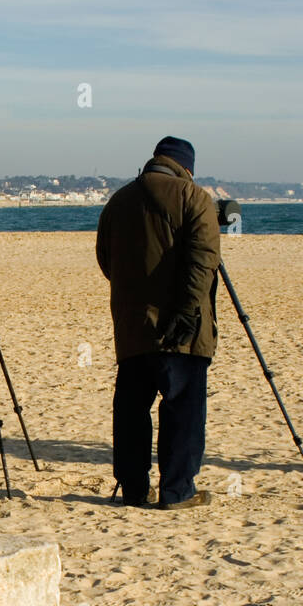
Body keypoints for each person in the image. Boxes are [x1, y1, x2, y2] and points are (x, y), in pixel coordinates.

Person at [95, 135, 221, 510]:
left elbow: (106, 260)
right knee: (182, 408)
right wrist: (185, 309)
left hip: (132, 325)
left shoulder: (118, 201)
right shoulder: (193, 198)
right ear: (186, 167)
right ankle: (177, 491)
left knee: (132, 409)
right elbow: (204, 261)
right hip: (181, 329)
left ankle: (134, 489)